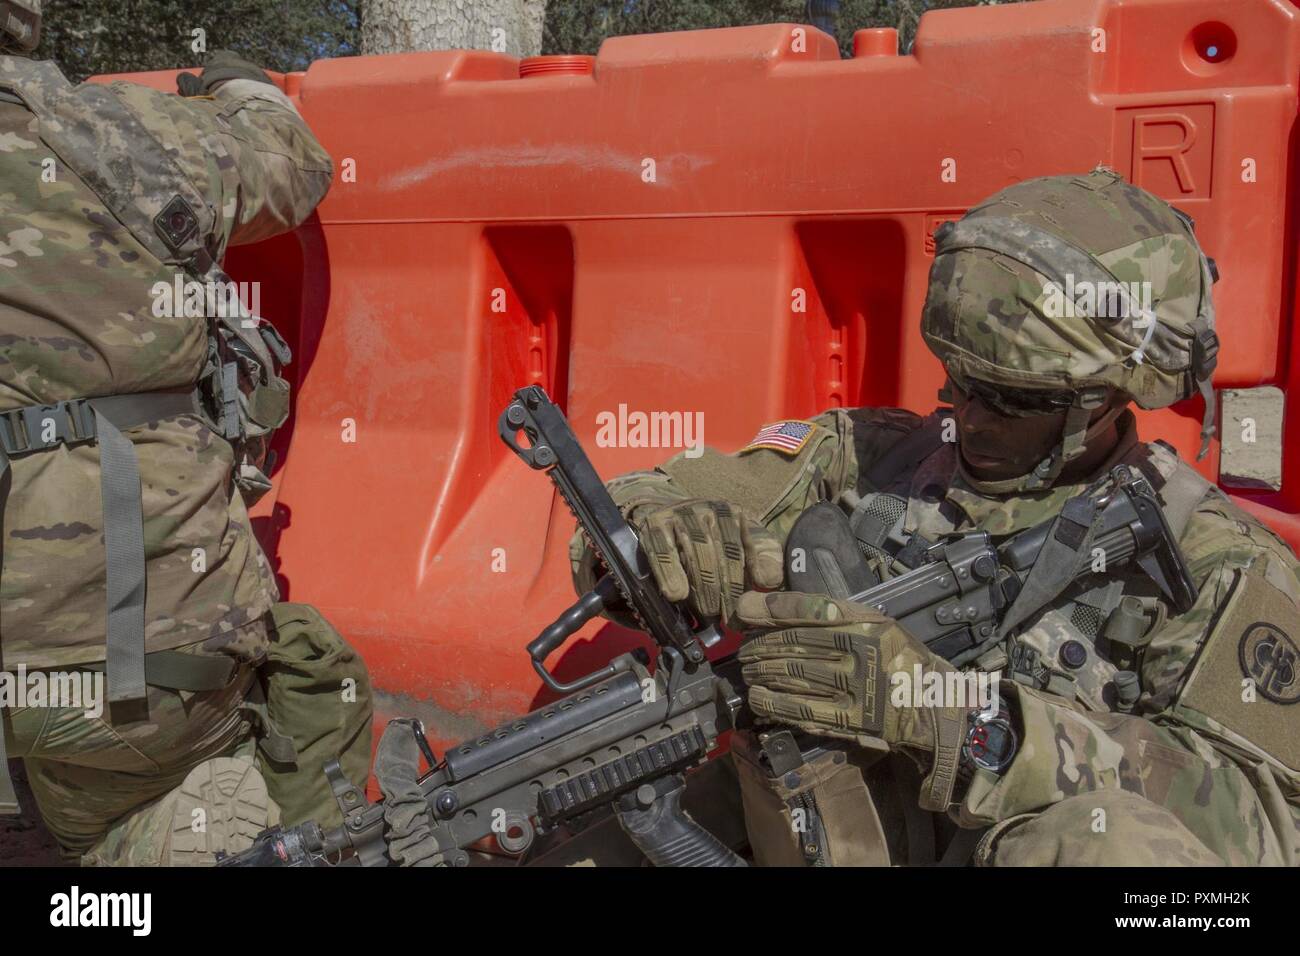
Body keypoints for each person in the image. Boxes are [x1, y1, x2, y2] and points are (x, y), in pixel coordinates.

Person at [572, 167, 1300, 865]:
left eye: (1014, 398)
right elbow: (649, 501)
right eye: (959, 381)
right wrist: (656, 540)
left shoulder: (1213, 564)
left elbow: (1270, 821)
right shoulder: (873, 458)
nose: (972, 418)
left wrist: (966, 722)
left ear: (1108, 400)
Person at [0, 0, 361, 865]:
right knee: (316, 680)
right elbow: (292, 162)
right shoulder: (116, 133)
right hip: (127, 668)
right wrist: (241, 85)